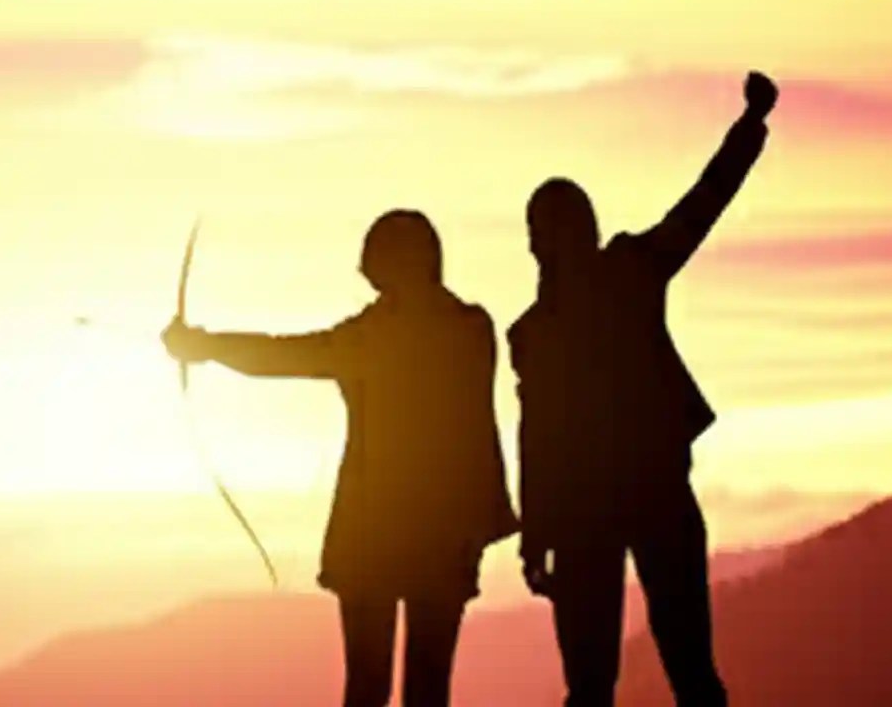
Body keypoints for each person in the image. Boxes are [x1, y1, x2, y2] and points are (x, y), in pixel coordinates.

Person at [162, 210, 519, 707]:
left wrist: (203, 346)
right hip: (448, 533)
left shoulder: (376, 336)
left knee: (368, 687)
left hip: (374, 534)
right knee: (429, 688)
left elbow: (284, 355)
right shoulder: (471, 328)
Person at [508, 71, 777, 707]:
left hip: (599, 511)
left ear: (535, 245)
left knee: (612, 683)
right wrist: (750, 126)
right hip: (641, 497)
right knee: (680, 672)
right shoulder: (623, 276)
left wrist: (536, 535)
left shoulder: (542, 327)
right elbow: (701, 206)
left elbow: (536, 440)